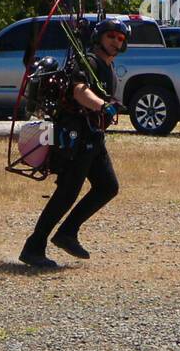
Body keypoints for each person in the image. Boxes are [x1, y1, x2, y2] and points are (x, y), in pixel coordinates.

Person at [20, 16, 128, 269]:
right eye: (111, 36)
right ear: (99, 38)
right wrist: (103, 106)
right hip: (76, 136)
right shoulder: (88, 61)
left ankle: (67, 233)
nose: (115, 42)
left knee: (107, 187)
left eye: (120, 39)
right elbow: (80, 90)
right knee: (67, 192)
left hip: (93, 136)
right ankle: (33, 247)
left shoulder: (106, 65)